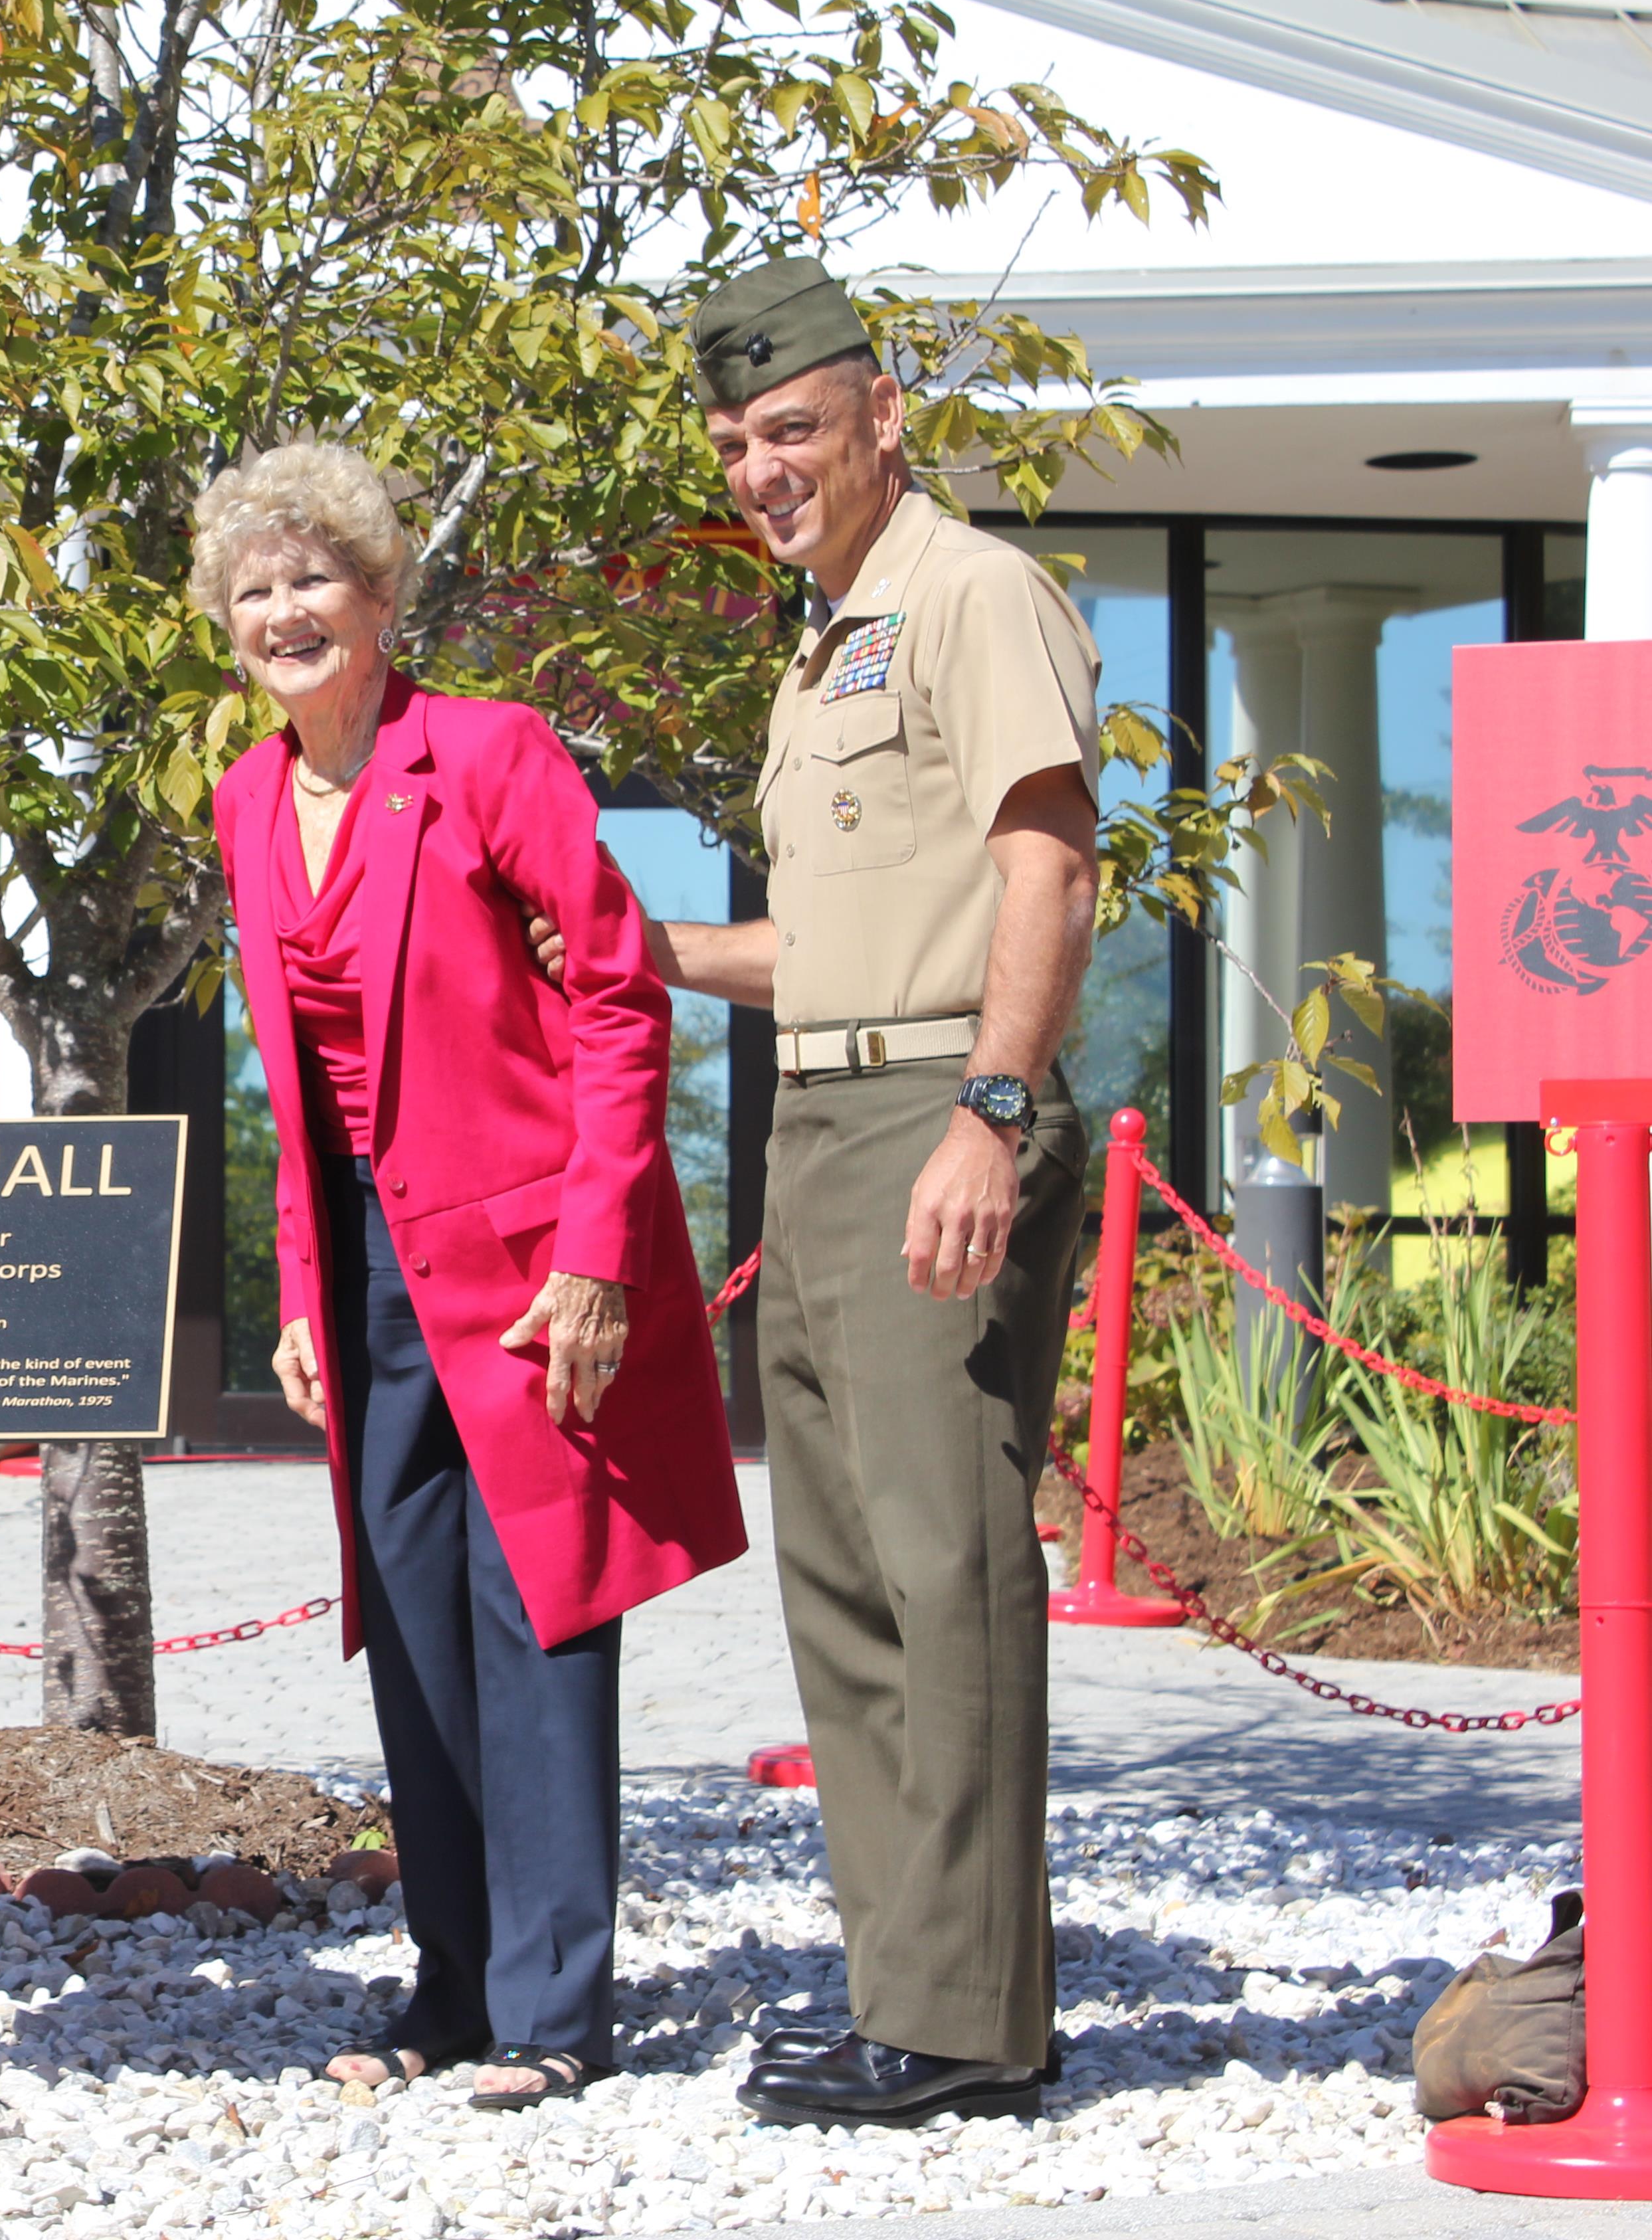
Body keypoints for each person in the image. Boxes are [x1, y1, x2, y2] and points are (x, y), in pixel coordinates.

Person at [201, 441, 745, 2109]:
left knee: (542, 1617)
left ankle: (555, 2013)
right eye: (254, 590)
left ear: (380, 597)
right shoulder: (245, 797)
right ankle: (447, 1986)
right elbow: (296, 1079)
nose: (286, 612)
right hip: (368, 1260)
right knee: (417, 1631)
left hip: (524, 1262)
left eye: (315, 578)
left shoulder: (492, 753)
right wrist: (303, 1288)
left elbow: (618, 1000)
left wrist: (598, 1256)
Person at [647, 255, 1101, 2129]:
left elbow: (1047, 862)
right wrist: (647, 950)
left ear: (882, 416)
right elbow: (827, 948)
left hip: (936, 1105)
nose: (764, 470)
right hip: (821, 1120)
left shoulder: (968, 591)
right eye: (736, 445)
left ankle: (972, 2023)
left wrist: (989, 1114)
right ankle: (906, 1995)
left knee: (946, 1566)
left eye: (793, 429)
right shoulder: (824, 643)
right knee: (843, 1579)